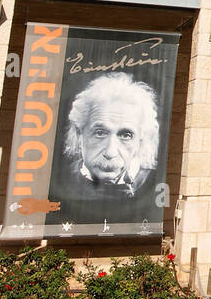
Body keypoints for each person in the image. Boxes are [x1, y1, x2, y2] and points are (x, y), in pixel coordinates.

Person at [48, 72, 163, 225]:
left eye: (126, 135)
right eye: (100, 133)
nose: (110, 152)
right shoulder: (57, 183)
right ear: (79, 134)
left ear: (141, 140)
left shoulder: (156, 185)